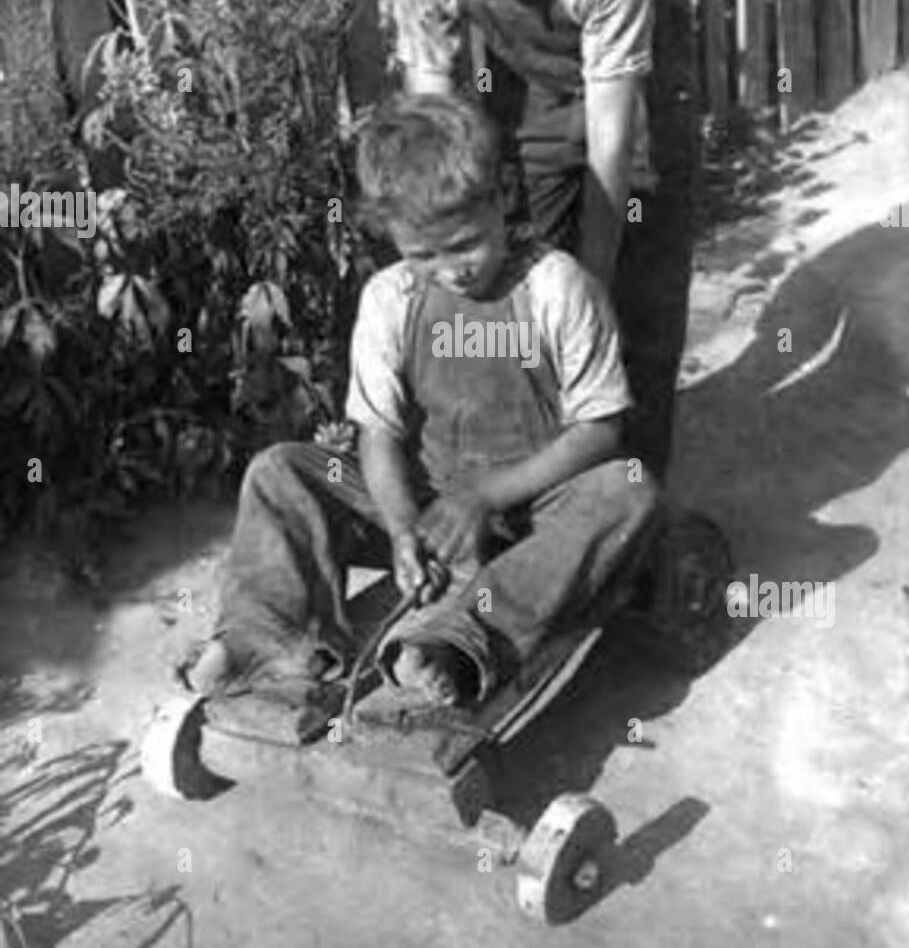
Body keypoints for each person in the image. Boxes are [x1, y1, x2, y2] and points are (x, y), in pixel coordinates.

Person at [186, 95, 660, 707]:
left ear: (503, 196)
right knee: (279, 470)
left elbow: (601, 429)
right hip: (426, 501)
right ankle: (264, 637)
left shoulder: (558, 287)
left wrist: (486, 496)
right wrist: (406, 527)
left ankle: (458, 640)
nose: (452, 271)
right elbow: (377, 432)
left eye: (465, 245)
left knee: (629, 487)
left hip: (532, 509)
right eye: (423, 255)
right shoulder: (392, 297)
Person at [391, 0, 699, 482]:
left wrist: (592, 282)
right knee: (517, 271)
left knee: (636, 300)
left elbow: (614, 135)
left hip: (640, 90)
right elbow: (434, 131)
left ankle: (633, 512)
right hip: (533, 81)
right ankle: (532, 482)